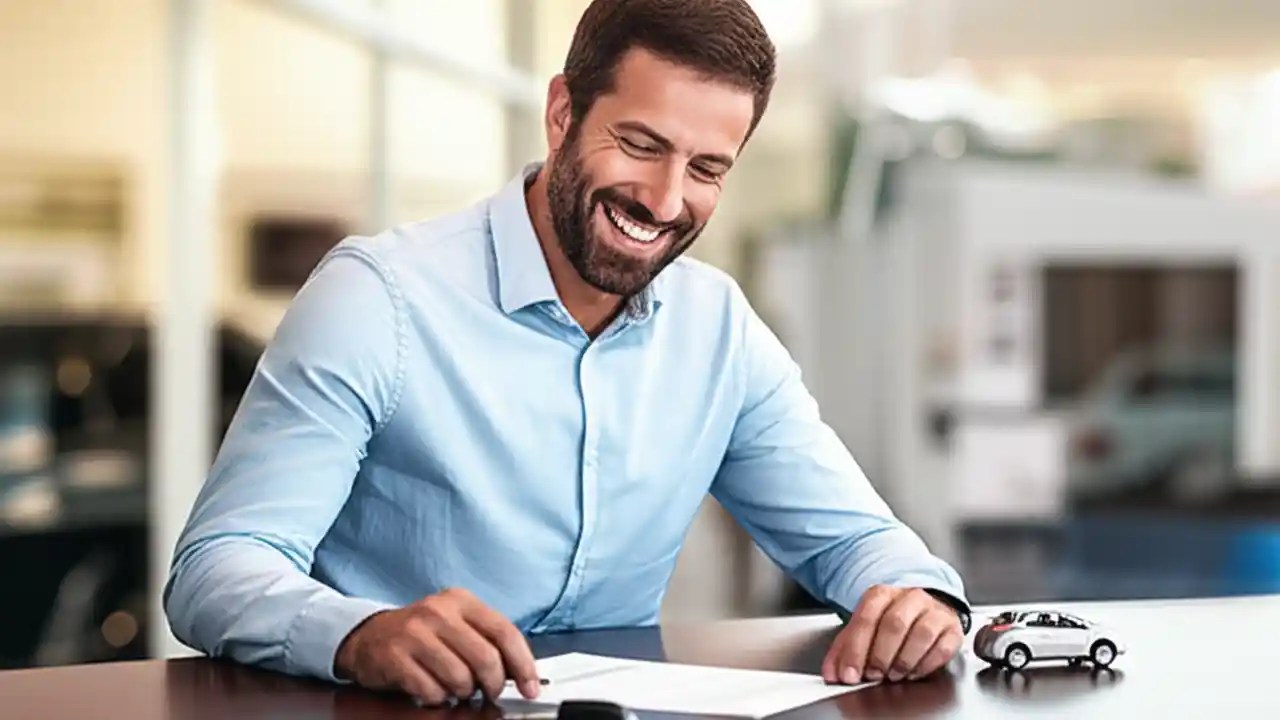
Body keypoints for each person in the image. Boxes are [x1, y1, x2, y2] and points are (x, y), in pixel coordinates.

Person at [165, 0, 969, 706]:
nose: (664, 199)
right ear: (561, 114)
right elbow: (217, 569)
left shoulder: (718, 328)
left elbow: (856, 541)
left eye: (706, 168)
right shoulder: (378, 299)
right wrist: (360, 633)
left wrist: (918, 600)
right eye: (641, 143)